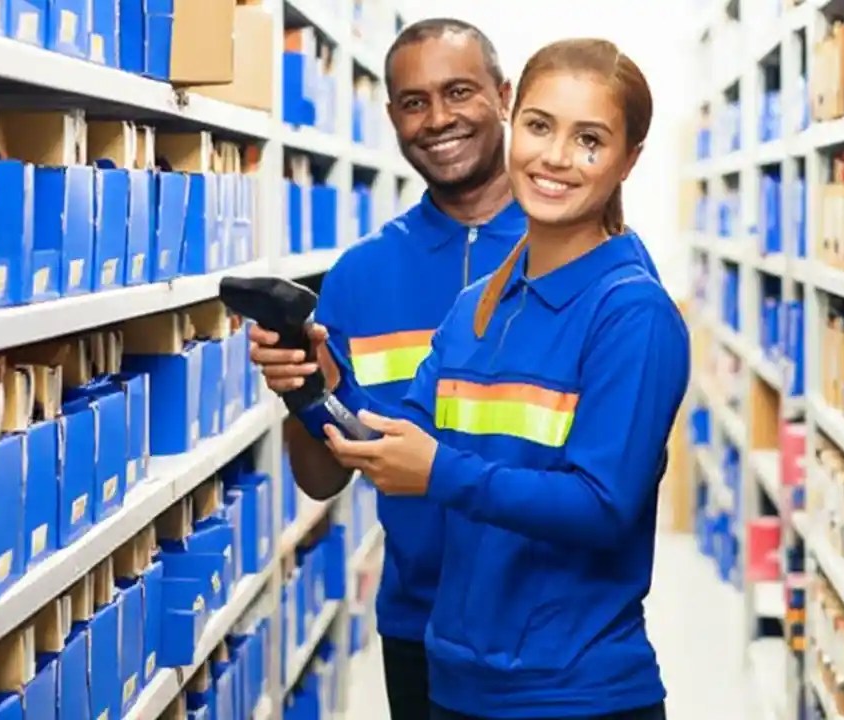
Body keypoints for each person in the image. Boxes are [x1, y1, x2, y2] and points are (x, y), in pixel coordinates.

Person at [247, 19, 662, 720]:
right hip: (424, 631)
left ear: (500, 97)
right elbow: (328, 473)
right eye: (414, 102)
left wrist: (441, 472)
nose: (438, 119)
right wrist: (310, 392)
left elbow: (606, 494)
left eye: (459, 91)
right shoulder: (362, 276)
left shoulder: (599, 276)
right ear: (392, 118)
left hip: (555, 650)